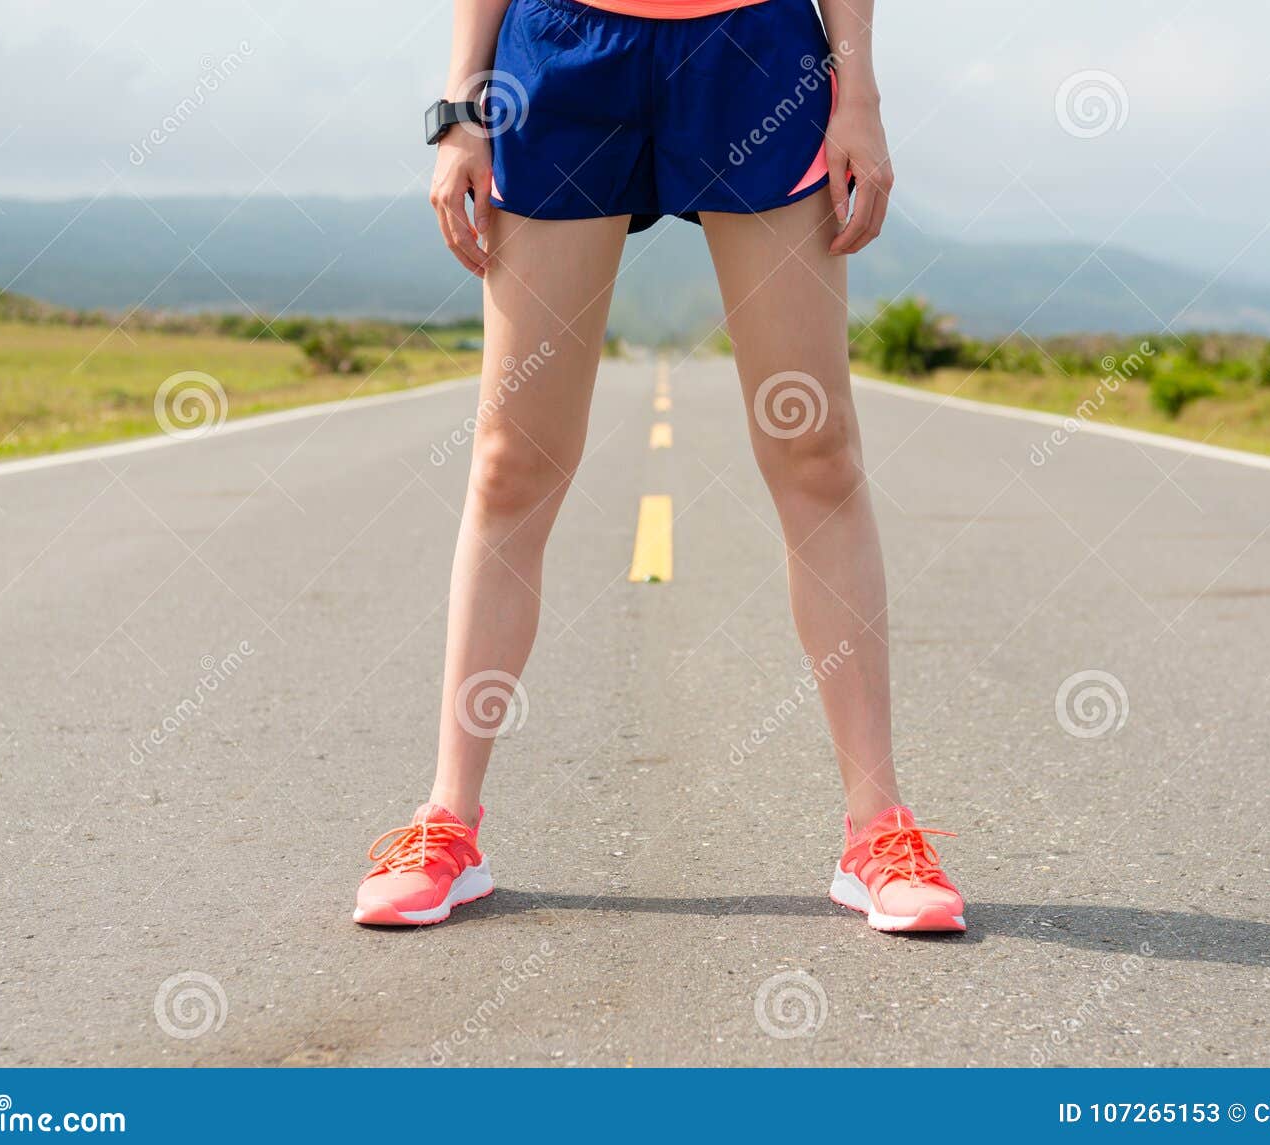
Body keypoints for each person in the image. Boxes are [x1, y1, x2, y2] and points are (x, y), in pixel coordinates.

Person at [355, 0, 965, 934]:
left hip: (755, 49)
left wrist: (859, 93)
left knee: (816, 451)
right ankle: (447, 822)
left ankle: (877, 830)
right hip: (560, 56)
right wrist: (461, 109)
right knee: (511, 462)